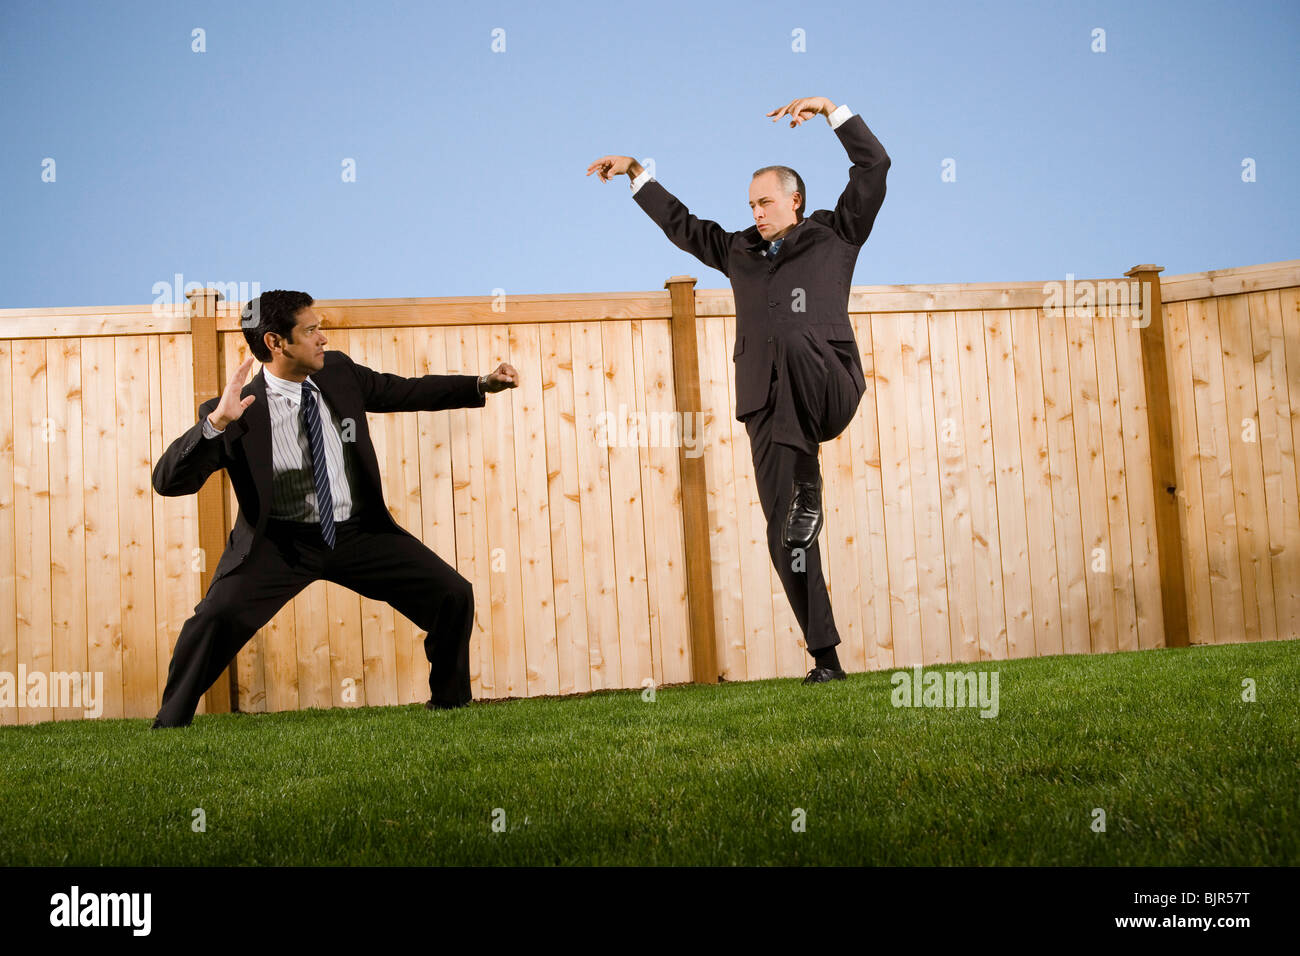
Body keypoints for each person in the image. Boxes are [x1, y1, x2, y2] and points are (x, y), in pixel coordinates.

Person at [587, 95, 890, 684]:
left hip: (828, 384)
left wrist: (833, 111)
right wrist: (635, 173)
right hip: (768, 408)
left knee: (796, 333)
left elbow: (874, 167)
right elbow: (684, 227)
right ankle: (825, 660)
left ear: (794, 200)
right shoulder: (740, 252)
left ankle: (808, 480)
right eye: (751, 204)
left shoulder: (837, 233)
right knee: (788, 537)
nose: (757, 212)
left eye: (766, 202)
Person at [150, 290, 518, 727]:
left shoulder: (340, 373)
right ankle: (170, 724)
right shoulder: (235, 411)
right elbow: (168, 483)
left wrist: (480, 384)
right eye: (310, 330)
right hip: (279, 545)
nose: (322, 338)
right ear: (276, 342)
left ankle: (451, 705)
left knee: (453, 593)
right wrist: (215, 425)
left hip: (356, 533)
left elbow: (403, 391)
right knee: (214, 618)